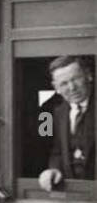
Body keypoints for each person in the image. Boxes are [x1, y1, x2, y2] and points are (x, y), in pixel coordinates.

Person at [39, 55, 93, 190]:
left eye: (76, 79)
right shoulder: (55, 111)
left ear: (89, 76)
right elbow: (57, 150)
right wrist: (54, 170)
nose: (72, 87)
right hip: (72, 193)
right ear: (56, 87)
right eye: (64, 83)